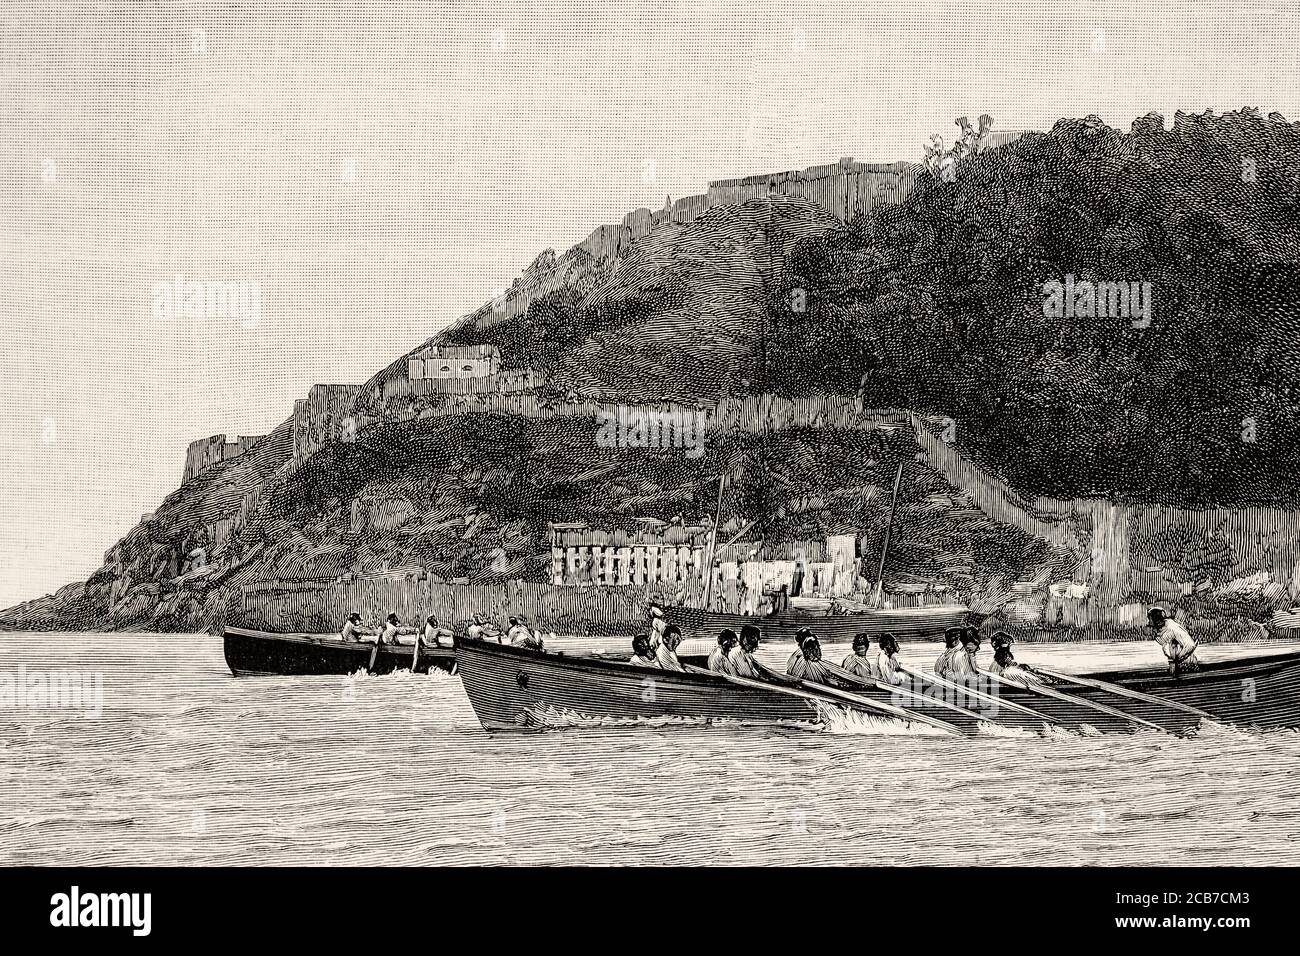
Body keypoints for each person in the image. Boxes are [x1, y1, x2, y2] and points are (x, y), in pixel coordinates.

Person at [1149, 607, 1199, 674]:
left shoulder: (1173, 627)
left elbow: (1190, 645)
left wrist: (1178, 658)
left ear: (1156, 619)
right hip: (1174, 665)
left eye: (1150, 619)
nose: (1149, 622)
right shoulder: (1159, 631)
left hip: (1187, 664)